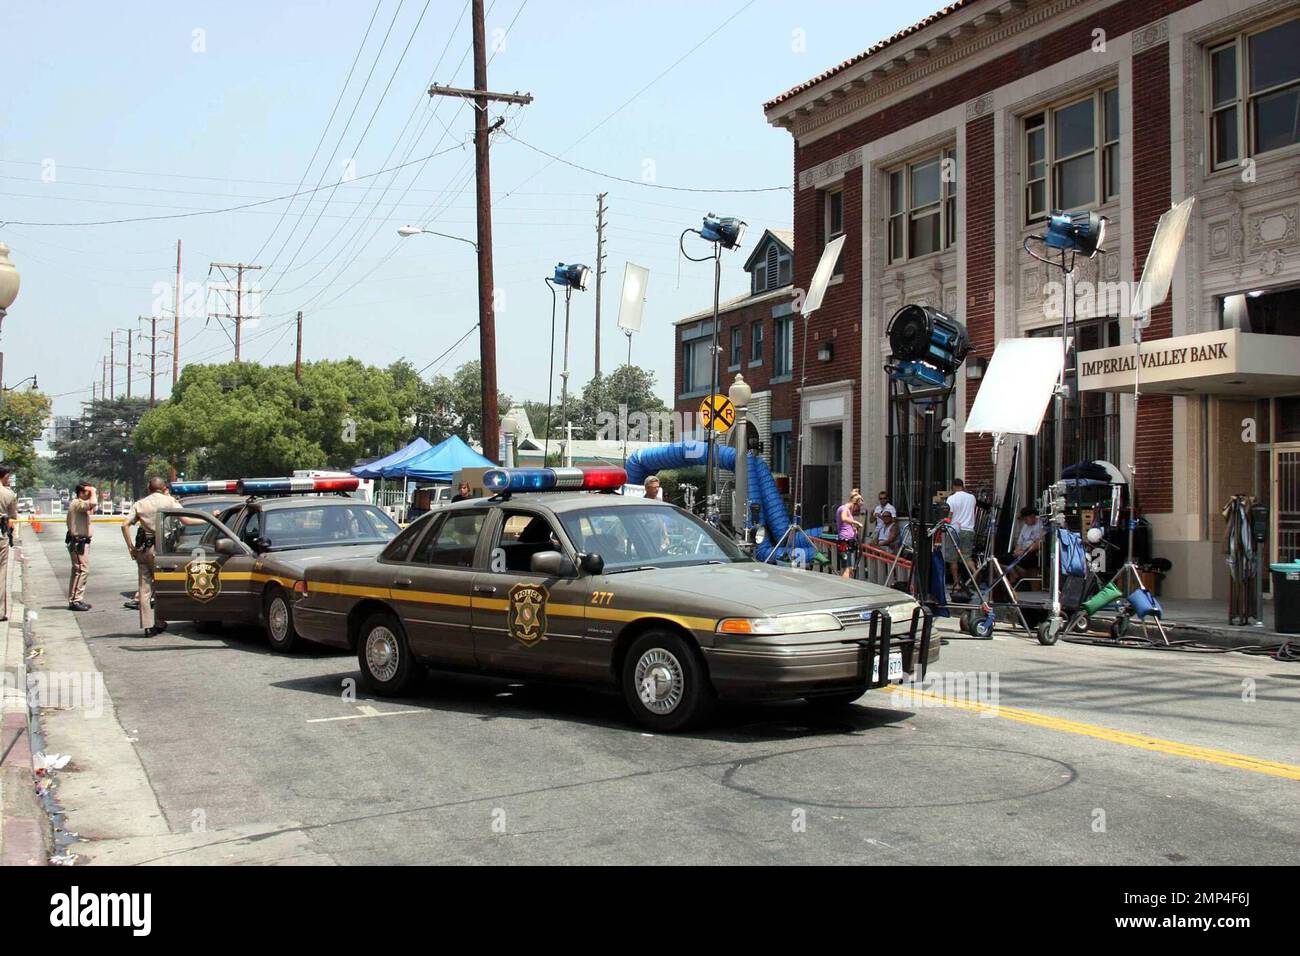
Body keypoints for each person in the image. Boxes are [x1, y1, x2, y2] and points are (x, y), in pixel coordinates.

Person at [121, 477, 183, 637]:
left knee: (144, 589)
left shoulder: (140, 504)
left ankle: (148, 626)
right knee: (162, 587)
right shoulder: (170, 501)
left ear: (149, 488)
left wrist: (131, 548)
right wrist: (212, 516)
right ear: (163, 488)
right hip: (161, 550)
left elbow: (125, 524)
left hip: (143, 549)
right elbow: (186, 520)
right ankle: (160, 622)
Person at [65, 481, 98, 611]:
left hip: (81, 542)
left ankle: (76, 599)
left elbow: (93, 507)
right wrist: (93, 491)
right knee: (82, 570)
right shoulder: (77, 503)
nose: (90, 495)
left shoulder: (80, 504)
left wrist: (91, 492)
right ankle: (75, 600)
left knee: (78, 571)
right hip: (78, 542)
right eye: (87, 492)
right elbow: (93, 503)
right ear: (80, 492)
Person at [943, 478, 977, 593]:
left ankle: (956, 584)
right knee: (966, 556)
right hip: (968, 529)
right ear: (963, 486)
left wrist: (945, 521)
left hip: (954, 530)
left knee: (953, 559)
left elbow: (950, 515)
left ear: (953, 486)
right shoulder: (972, 498)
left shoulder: (951, 498)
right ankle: (975, 573)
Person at [1007, 506, 1045, 587]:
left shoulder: (1040, 525)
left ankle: (1019, 580)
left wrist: (1023, 552)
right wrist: (1017, 551)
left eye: (1026, 519)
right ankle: (1015, 578)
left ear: (1032, 516)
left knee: (1019, 562)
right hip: (1022, 551)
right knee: (1002, 559)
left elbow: (1039, 543)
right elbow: (1019, 542)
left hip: (1032, 552)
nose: (1024, 521)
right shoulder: (1025, 526)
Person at [0, 464, 16, 622]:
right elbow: (13, 515)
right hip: (1, 534)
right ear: (5, 476)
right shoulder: (8, 494)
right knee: (1, 571)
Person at [836, 491, 865, 578]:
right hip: (845, 541)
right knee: (847, 568)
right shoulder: (844, 509)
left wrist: (854, 528)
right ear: (854, 504)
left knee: (850, 568)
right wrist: (856, 522)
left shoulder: (847, 510)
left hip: (850, 541)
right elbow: (844, 518)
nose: (856, 510)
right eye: (857, 507)